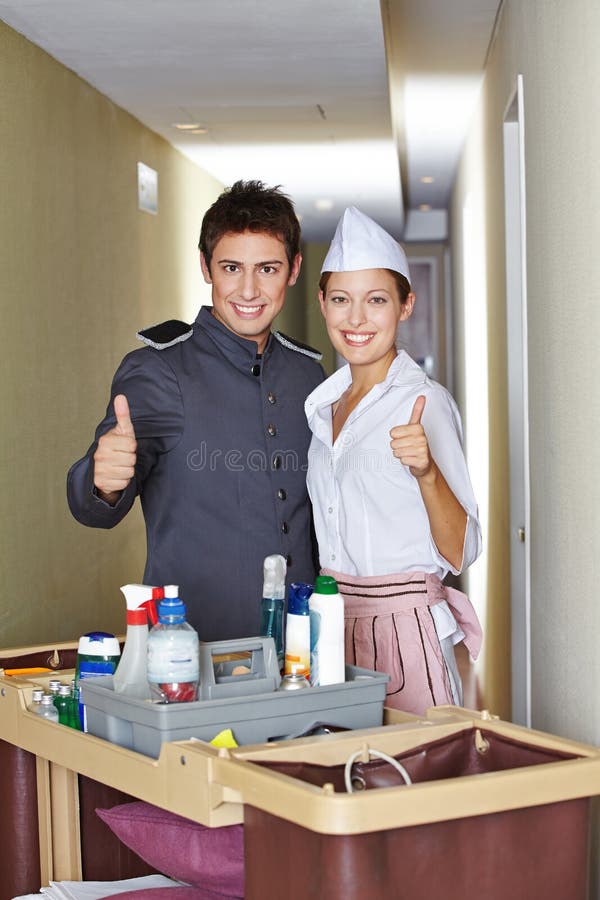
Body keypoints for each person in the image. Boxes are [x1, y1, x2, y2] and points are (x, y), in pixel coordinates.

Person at [68, 180, 325, 640]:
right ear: (206, 267)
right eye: (231, 267)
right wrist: (102, 481)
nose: (248, 289)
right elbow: (96, 509)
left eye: (267, 268)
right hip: (195, 649)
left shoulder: (309, 375)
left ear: (293, 270)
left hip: (306, 643)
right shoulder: (158, 368)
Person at [305, 206, 482, 714]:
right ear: (322, 304)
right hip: (333, 628)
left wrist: (427, 474)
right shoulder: (322, 408)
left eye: (376, 300)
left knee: (412, 780)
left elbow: (462, 551)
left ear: (406, 306)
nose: (356, 319)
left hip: (406, 631)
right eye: (341, 299)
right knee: (342, 779)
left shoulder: (423, 403)